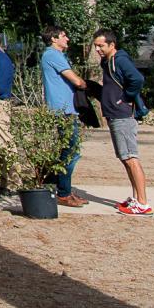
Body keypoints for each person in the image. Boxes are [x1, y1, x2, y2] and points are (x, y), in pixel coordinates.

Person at [92, 29, 152, 216]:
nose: (98, 49)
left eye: (101, 45)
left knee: (131, 158)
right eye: (96, 46)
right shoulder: (107, 61)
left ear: (111, 44)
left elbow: (137, 79)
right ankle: (135, 198)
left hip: (123, 115)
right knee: (125, 159)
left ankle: (143, 203)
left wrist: (124, 98)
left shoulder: (120, 60)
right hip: (114, 115)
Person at [40, 26, 87, 208]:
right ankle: (63, 192)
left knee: (68, 151)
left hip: (67, 109)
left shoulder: (57, 55)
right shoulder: (53, 55)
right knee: (71, 153)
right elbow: (75, 80)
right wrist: (85, 85)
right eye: (63, 36)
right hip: (63, 110)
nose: (67, 39)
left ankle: (58, 185)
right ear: (53, 39)